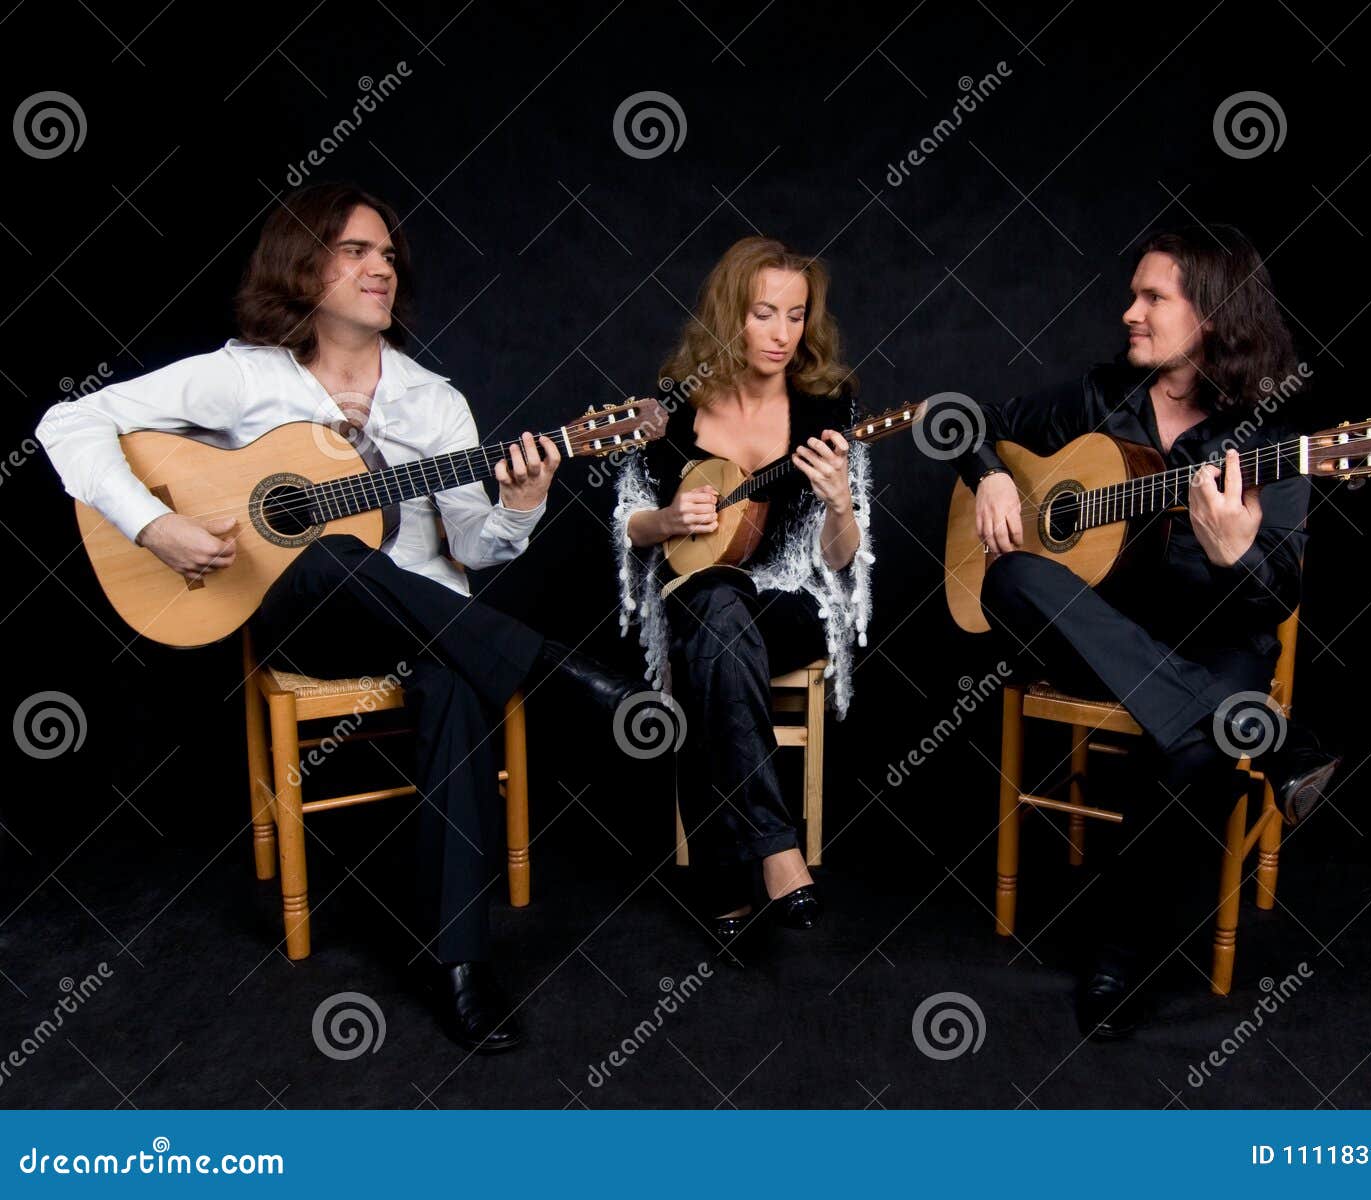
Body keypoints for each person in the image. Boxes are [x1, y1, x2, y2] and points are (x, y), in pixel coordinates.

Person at [36, 183, 640, 1054]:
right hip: (311, 621)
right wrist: (152, 522)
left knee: (453, 673)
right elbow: (70, 422)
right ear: (303, 265)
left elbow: (475, 547)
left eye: (388, 254)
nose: (380, 267)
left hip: (430, 625)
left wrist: (521, 500)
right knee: (327, 555)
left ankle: (460, 965)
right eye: (356, 251)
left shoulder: (434, 401)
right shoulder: (243, 375)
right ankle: (550, 670)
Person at [958, 224, 1340, 1038]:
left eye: (1152, 298)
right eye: (1135, 294)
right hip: (1105, 636)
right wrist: (990, 474)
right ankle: (1269, 741)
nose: (1129, 312)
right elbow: (963, 419)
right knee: (1014, 575)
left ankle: (1117, 961)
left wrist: (1238, 556)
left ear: (1210, 313)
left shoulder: (1273, 438)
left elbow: (1275, 601)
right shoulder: (1100, 398)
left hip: (1216, 643)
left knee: (1196, 748)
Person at [611, 236, 873, 961]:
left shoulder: (829, 407)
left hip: (789, 607)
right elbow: (629, 523)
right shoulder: (674, 408)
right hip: (702, 600)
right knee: (715, 603)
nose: (784, 334)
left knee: (717, 620)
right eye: (765, 313)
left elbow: (843, 561)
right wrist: (671, 521)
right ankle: (776, 851)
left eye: (796, 315)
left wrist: (839, 503)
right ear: (731, 314)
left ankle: (729, 875)